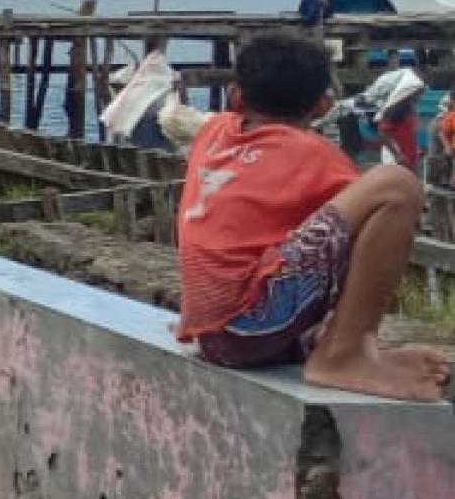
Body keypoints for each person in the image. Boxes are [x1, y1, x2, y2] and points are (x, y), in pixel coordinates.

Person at [174, 31, 449, 401]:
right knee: (396, 188)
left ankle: (332, 342)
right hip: (247, 329)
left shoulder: (213, 131)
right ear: (322, 106)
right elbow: (374, 228)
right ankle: (346, 353)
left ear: (235, 95)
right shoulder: (315, 156)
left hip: (212, 336)